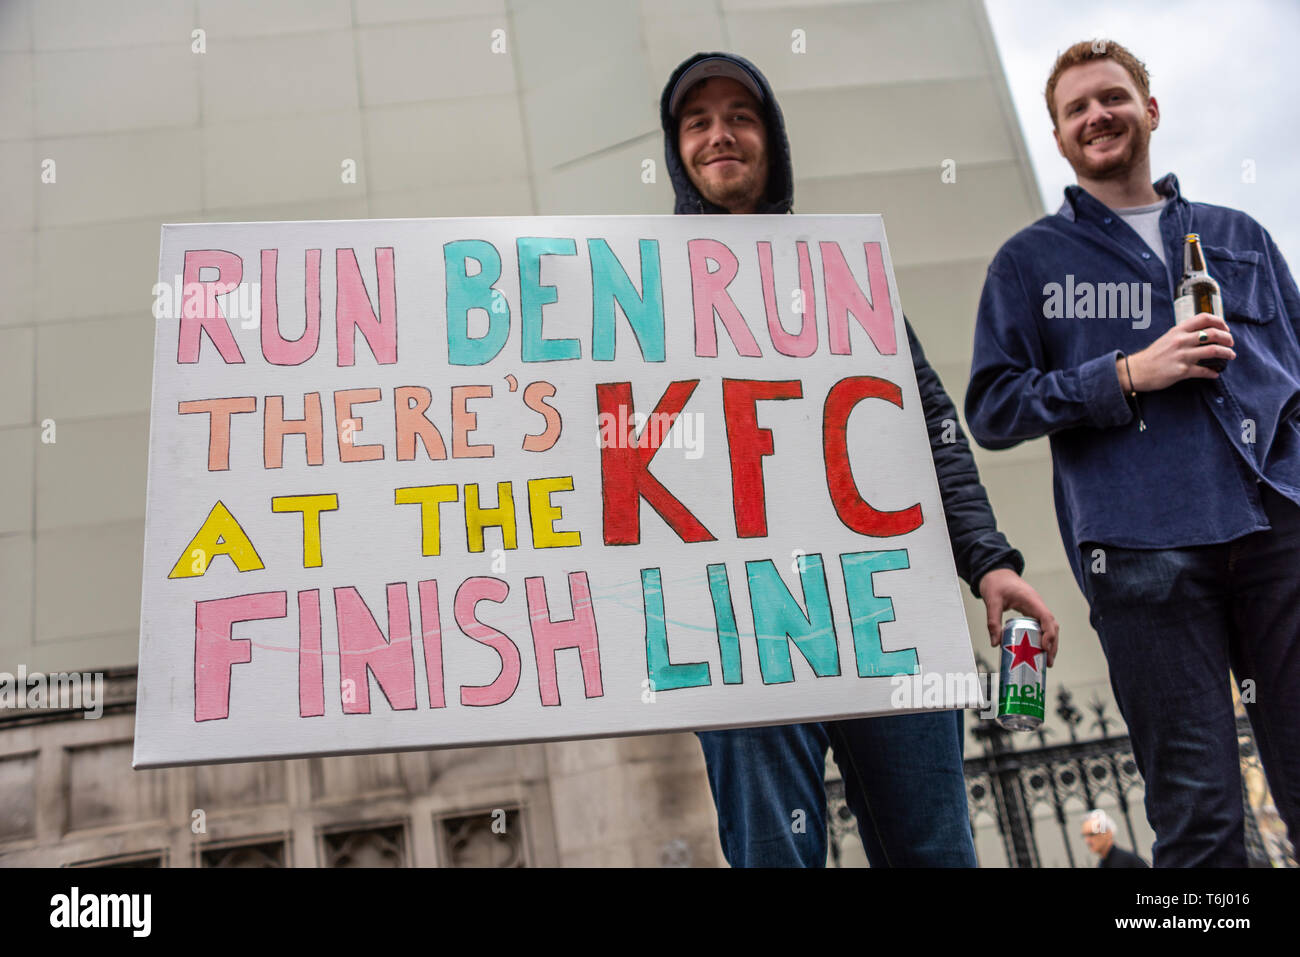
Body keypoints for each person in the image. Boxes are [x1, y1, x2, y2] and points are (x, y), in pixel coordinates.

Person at [660, 52, 1060, 867]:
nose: (720, 135)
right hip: (736, 623)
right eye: (697, 122)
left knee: (934, 852)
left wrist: (988, 561)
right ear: (677, 151)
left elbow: (930, 423)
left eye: (740, 115)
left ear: (771, 139)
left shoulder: (845, 273)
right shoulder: (640, 289)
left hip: (886, 612)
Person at [964, 39, 1300, 867]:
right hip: (1144, 553)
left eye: (1112, 97)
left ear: (1150, 111)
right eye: (1076, 108)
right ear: (1059, 136)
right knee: (1201, 823)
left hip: (1277, 537)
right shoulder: (1029, 263)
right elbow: (994, 406)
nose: (1097, 116)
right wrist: (1125, 374)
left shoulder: (1240, 235)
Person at [1082, 810, 1148, 868]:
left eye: (1092, 834)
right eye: (1085, 836)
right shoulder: (1104, 862)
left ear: (1108, 833)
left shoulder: (1124, 861)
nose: (1087, 841)